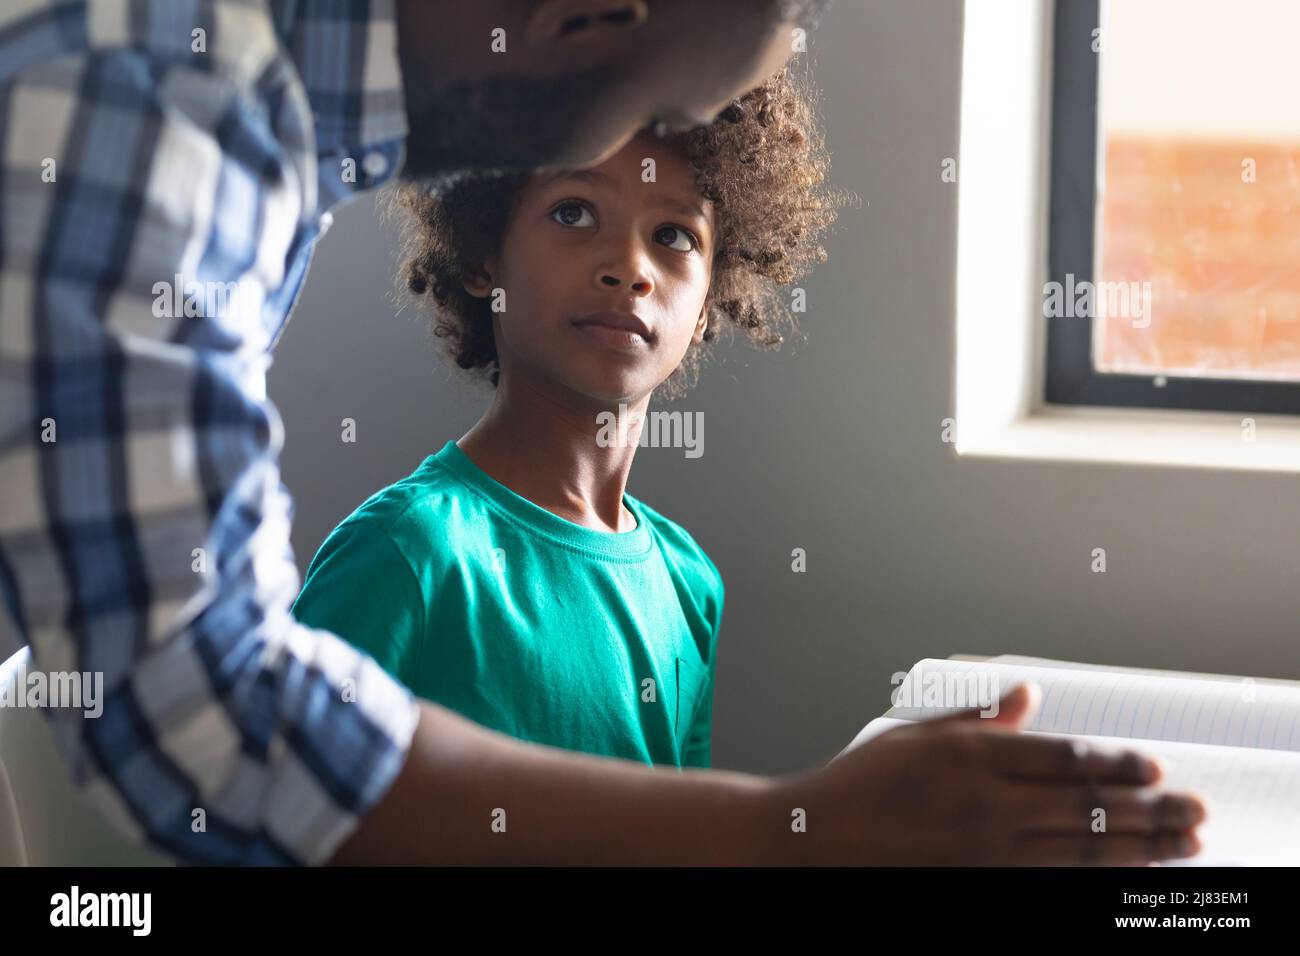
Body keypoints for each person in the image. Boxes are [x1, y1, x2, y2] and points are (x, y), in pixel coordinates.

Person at [0, 0, 1206, 865]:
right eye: (662, 104)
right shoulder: (144, 103)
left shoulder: (264, 137)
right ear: (589, 18)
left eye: (677, 232)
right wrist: (806, 828)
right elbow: (200, 718)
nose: (628, 262)